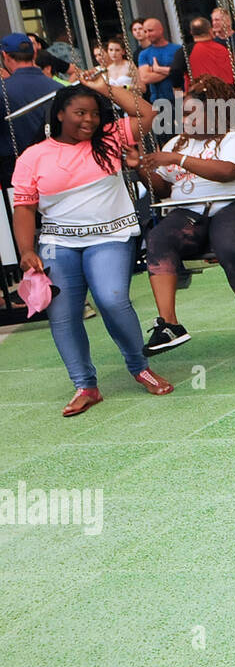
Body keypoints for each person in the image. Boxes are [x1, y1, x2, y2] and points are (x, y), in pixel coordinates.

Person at [11, 77, 172, 415]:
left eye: (95, 113)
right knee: (63, 314)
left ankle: (139, 366)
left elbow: (146, 112)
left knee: (113, 300)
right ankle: (85, 385)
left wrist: (103, 88)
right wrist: (26, 250)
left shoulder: (110, 139)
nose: (89, 120)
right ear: (59, 115)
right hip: (58, 242)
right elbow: (24, 207)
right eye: (79, 113)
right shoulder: (32, 157)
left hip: (111, 236)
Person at [139, 76, 235, 384]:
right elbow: (161, 187)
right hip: (190, 212)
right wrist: (141, 168)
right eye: (183, 113)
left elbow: (228, 173)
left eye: (191, 113)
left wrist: (178, 158)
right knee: (158, 238)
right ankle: (169, 322)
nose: (184, 119)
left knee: (230, 246)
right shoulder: (176, 142)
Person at [0, 33, 63, 186]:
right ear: (34, 53)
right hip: (59, 170)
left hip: (16, 176)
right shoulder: (59, 88)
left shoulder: (3, 90)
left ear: (5, 56)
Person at [168, 16, 235, 90]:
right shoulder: (225, 47)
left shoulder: (185, 51)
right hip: (227, 94)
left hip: (201, 96)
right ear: (210, 30)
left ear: (191, 32)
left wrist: (178, 91)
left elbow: (175, 70)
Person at [135, 18, 182, 107]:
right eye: (145, 32)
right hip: (159, 100)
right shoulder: (144, 54)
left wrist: (158, 69)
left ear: (160, 30)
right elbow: (145, 78)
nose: (147, 34)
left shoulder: (178, 49)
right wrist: (172, 71)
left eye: (150, 31)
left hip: (180, 97)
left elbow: (184, 72)